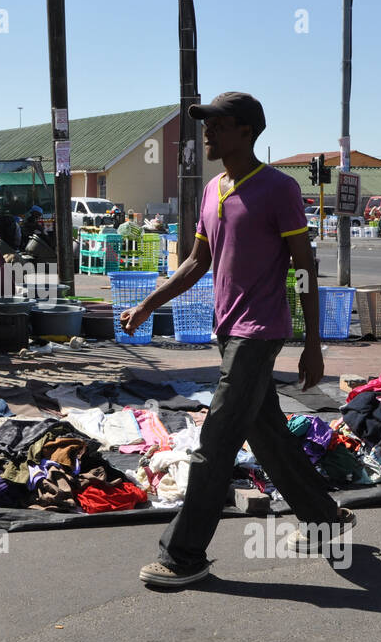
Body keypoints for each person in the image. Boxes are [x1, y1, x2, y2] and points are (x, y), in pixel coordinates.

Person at [120, 92, 354, 588]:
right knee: (266, 432)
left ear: (246, 131)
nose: (209, 134)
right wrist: (148, 304)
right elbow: (195, 262)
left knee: (217, 438)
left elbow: (304, 270)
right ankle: (326, 520)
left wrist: (313, 343)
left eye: (219, 126)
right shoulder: (213, 190)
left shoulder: (278, 189)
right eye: (208, 126)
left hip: (260, 332)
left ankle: (183, 553)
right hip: (227, 331)